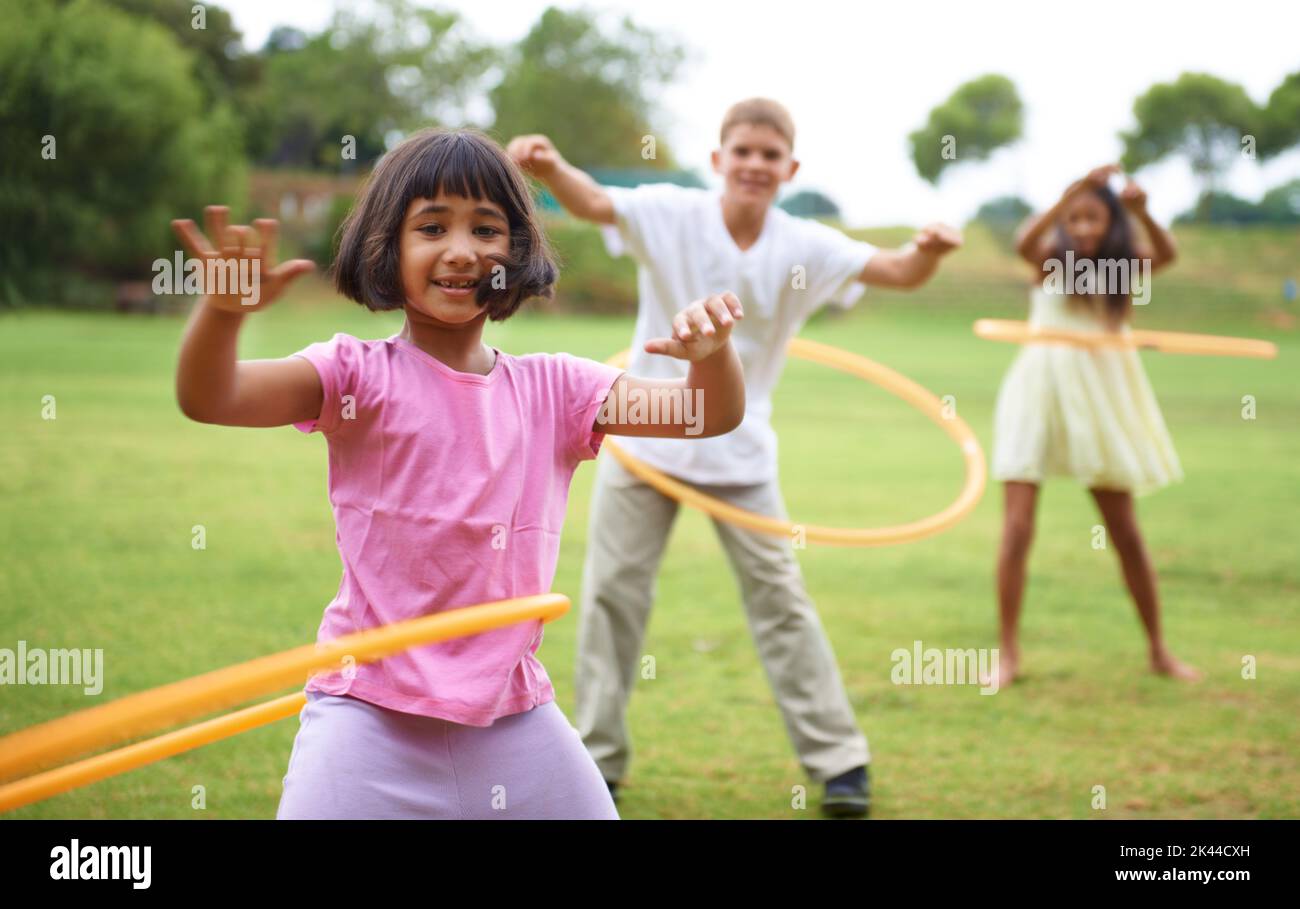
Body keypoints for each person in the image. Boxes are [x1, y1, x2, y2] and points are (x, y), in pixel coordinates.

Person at [170, 127, 747, 819]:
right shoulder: (355, 375)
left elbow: (701, 415)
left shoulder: (558, 389)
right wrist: (221, 315)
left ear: (518, 252)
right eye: (432, 226)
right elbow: (213, 397)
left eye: (487, 228)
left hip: (513, 720)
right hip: (367, 717)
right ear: (389, 246)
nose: (462, 250)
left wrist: (712, 357)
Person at [508, 98, 962, 817]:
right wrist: (550, 164)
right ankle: (598, 760)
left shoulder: (804, 244)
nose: (755, 165)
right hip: (648, 432)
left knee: (782, 603)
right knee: (611, 596)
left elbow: (899, 270)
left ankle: (840, 764)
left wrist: (930, 249)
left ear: (790, 169)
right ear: (719, 160)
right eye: (742, 152)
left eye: (769, 155)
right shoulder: (670, 212)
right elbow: (593, 202)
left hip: (740, 451)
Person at [990, 163, 1201, 688]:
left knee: (1125, 532)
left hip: (1101, 396)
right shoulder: (1049, 262)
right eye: (1074, 217)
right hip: (1038, 389)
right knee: (1016, 529)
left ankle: (1158, 650)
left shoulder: (1121, 269)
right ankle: (1008, 654)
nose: (1083, 227)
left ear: (1112, 222)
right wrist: (1062, 198)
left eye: (1094, 217)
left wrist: (1143, 211)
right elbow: (1022, 242)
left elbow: (1168, 255)